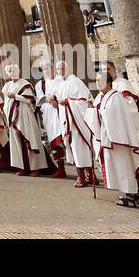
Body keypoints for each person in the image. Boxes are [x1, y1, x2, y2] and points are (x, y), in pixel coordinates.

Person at [88, 73, 139, 207]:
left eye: (100, 80)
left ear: (108, 83)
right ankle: (131, 193)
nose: (97, 83)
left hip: (119, 140)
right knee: (120, 167)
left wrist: (94, 112)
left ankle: (130, 196)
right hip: (113, 139)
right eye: (96, 80)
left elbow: (111, 117)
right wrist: (92, 109)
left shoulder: (115, 97)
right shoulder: (105, 97)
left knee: (124, 166)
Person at [1, 63, 52, 176]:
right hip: (12, 117)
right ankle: (23, 167)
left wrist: (15, 96)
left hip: (24, 116)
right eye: (9, 70)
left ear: (18, 70)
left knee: (29, 139)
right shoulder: (7, 85)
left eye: (13, 69)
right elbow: (6, 101)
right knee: (17, 142)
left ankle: (35, 168)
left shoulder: (25, 84)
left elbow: (29, 100)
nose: (11, 72)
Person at [55, 60, 96, 188]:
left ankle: (83, 177)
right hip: (68, 121)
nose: (60, 71)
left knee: (81, 148)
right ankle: (88, 175)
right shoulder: (63, 84)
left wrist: (67, 102)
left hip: (77, 122)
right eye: (58, 69)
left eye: (62, 68)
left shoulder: (75, 82)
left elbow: (83, 101)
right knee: (75, 148)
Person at [34, 64, 67, 178]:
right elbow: (39, 99)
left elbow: (63, 93)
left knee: (67, 140)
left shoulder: (61, 80)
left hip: (61, 112)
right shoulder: (40, 84)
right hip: (48, 115)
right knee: (54, 142)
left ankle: (83, 170)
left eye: (48, 68)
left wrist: (55, 99)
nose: (46, 71)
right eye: (43, 69)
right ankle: (61, 168)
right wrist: (49, 101)